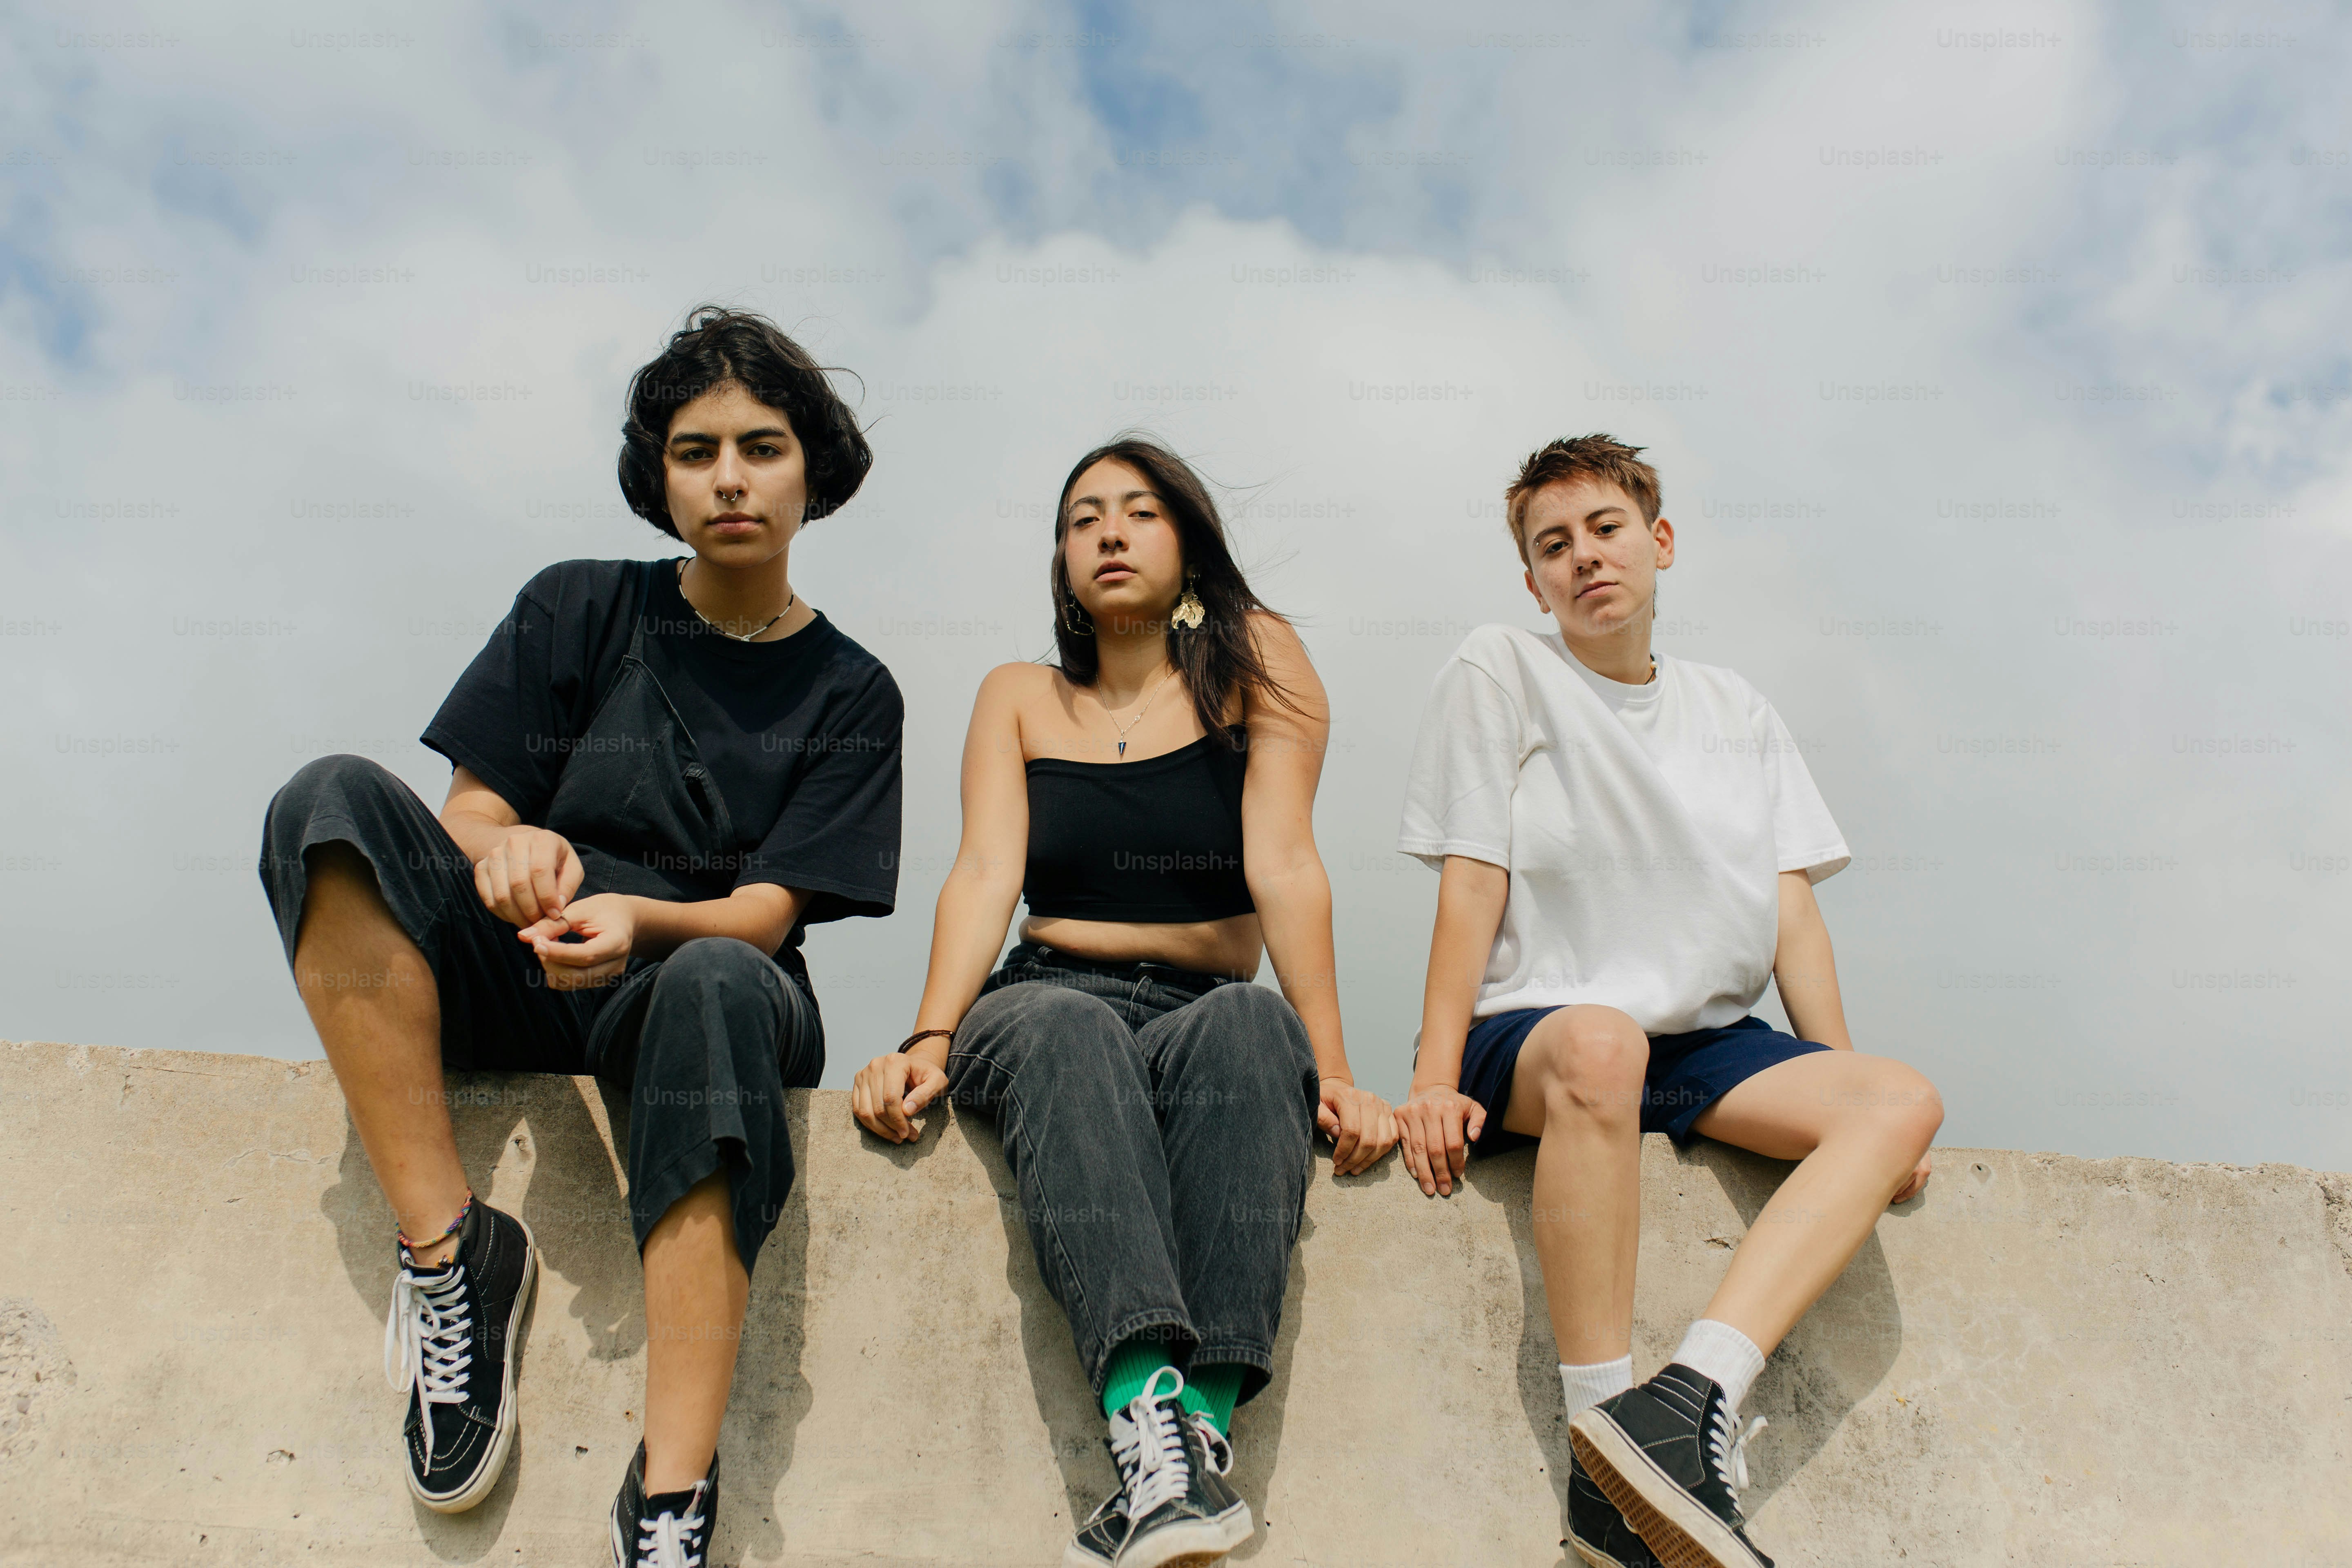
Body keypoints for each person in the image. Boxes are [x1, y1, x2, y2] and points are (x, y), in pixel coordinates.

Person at [258, 307, 902, 1568]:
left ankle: (669, 1501)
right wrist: (507, 850)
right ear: (655, 478)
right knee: (326, 801)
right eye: (695, 448)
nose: (729, 477)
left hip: (704, 978)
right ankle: (455, 1257)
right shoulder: (577, 606)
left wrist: (641, 914)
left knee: (719, 974)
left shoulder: (854, 688)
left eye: (763, 447)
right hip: (528, 954)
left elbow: (769, 916)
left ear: (813, 470)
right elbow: (469, 811)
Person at [1391, 435, 1942, 1568]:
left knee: (1898, 1100)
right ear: (1534, 581)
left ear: (1661, 542)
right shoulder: (1502, 667)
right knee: (1602, 1045)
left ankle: (1683, 1407)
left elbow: (1791, 913)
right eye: (1554, 546)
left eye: (1605, 529)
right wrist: (1433, 1078)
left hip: (1707, 1042)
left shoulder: (1737, 709)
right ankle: (1602, 1461)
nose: (1584, 558)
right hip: (1543, 1030)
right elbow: (1472, 881)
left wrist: (1842, 1085)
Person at [850, 435, 1397, 1568]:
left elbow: (1286, 867)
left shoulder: (1264, 668)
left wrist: (1333, 1071)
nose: (1108, 531)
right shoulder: (1018, 696)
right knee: (1068, 1025)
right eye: (1083, 517)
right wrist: (928, 1038)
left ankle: (1195, 1439)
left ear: (1188, 546)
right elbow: (984, 876)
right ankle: (1142, 1406)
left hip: (1209, 1005)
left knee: (1261, 1028)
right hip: (1047, 992)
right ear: (1061, 565)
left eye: (1140, 512)